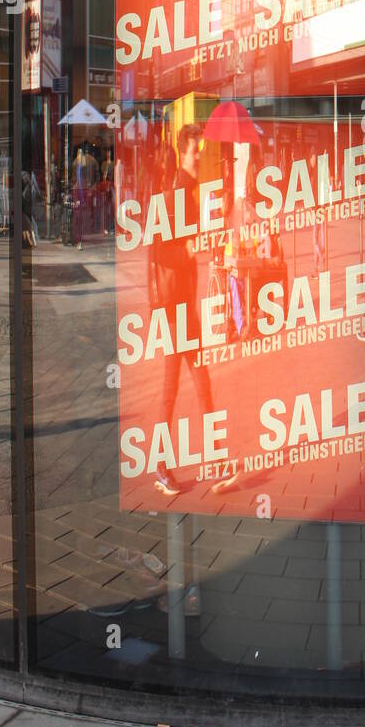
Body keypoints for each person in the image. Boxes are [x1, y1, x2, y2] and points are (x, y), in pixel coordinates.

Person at [152, 122, 216, 497]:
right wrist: (188, 251)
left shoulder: (189, 190)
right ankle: (161, 466)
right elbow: (161, 250)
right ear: (183, 152)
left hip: (183, 305)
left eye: (202, 151)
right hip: (175, 306)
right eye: (196, 151)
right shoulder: (178, 190)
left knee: (201, 379)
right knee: (171, 388)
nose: (201, 156)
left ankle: (216, 454)